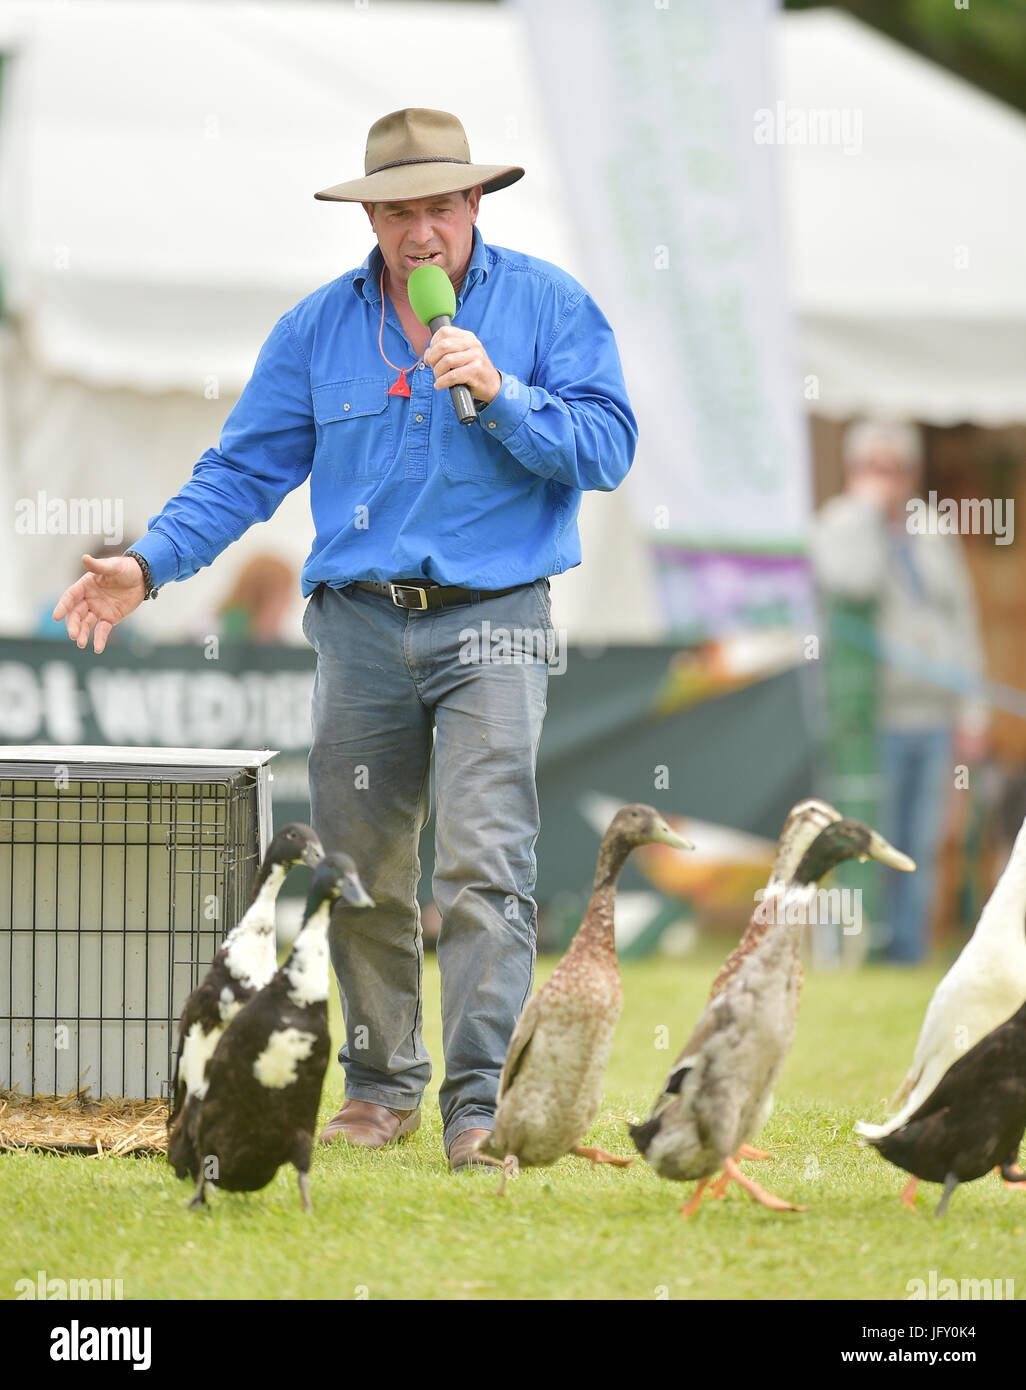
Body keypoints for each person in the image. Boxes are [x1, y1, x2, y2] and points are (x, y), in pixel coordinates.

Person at [52, 108, 638, 1168]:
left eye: (440, 208)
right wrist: (148, 563)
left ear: (474, 206)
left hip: (497, 623)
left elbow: (607, 447)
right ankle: (378, 1087)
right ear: (369, 217)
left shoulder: (550, 306)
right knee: (359, 869)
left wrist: (502, 393)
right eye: (399, 211)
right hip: (360, 627)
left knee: (483, 861)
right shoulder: (318, 330)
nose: (422, 233)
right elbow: (243, 469)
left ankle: (475, 1106)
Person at [809, 420, 988, 964]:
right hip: (871, 719)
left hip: (934, 715)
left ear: (913, 473)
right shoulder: (837, 525)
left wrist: (973, 713)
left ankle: (908, 953)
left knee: (923, 843)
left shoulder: (933, 530)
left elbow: (962, 621)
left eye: (897, 469)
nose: (888, 481)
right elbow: (854, 581)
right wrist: (866, 512)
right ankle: (865, 948)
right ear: (854, 470)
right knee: (870, 840)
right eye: (875, 468)